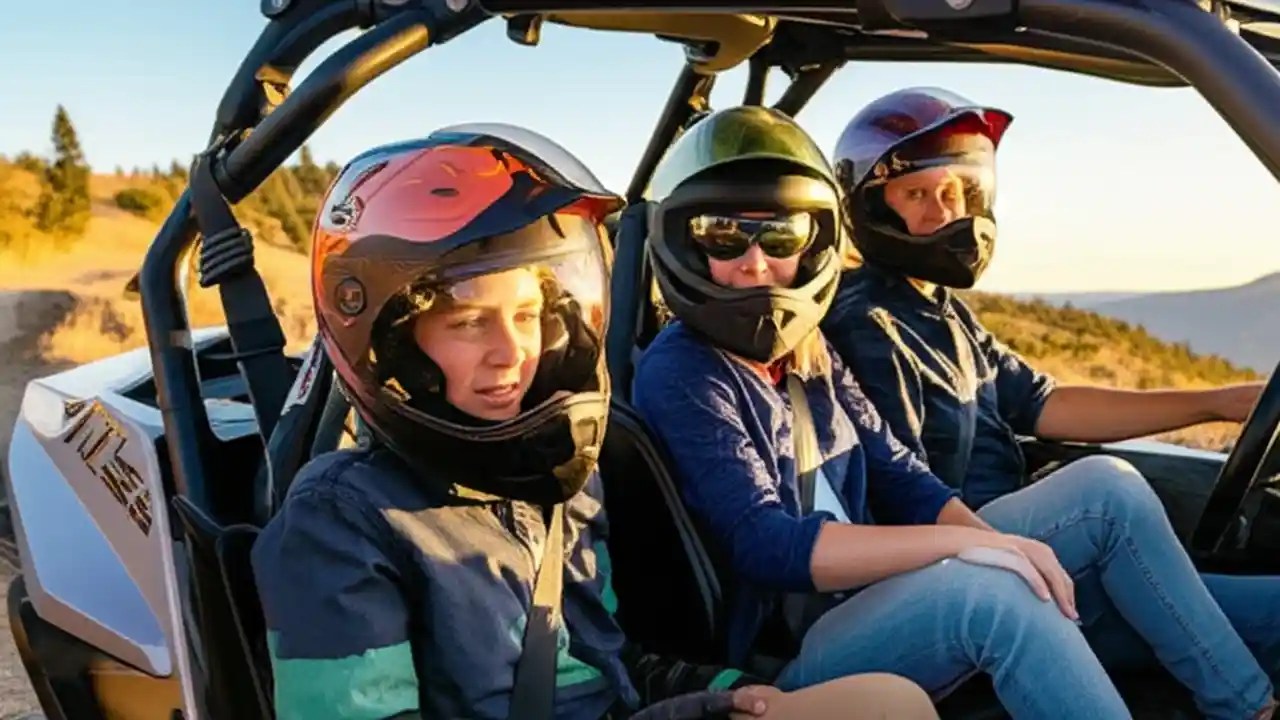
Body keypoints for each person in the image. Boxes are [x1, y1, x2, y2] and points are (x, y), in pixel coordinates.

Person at [250, 124, 941, 720]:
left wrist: (726, 693)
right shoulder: (341, 523)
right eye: (467, 322)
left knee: (891, 704)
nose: (511, 353)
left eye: (526, 316)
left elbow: (606, 670)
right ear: (399, 343)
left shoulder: (561, 477)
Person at [630, 104, 1279, 719]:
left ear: (814, 241)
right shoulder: (685, 370)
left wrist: (998, 544)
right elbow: (766, 544)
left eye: (781, 234)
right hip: (799, 645)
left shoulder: (810, 348)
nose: (755, 263)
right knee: (989, 593)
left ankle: (1249, 705)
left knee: (1106, 487)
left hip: (872, 600)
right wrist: (971, 550)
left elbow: (900, 474)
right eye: (723, 236)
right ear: (685, 242)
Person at [821, 85, 1280, 701]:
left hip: (1020, 551)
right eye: (916, 195)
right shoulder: (867, 322)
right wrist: (1013, 546)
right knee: (1103, 489)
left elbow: (1047, 403)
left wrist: (1216, 402)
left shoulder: (939, 309)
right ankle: (1248, 706)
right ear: (873, 207)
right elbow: (899, 494)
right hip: (953, 564)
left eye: (953, 192)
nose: (941, 214)